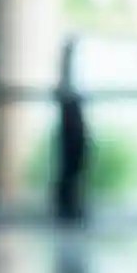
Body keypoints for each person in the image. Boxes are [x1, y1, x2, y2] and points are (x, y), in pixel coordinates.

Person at [54, 38, 89, 224]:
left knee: (73, 165)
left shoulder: (69, 85)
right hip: (71, 112)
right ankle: (68, 207)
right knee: (71, 165)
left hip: (72, 110)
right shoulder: (69, 91)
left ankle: (71, 205)